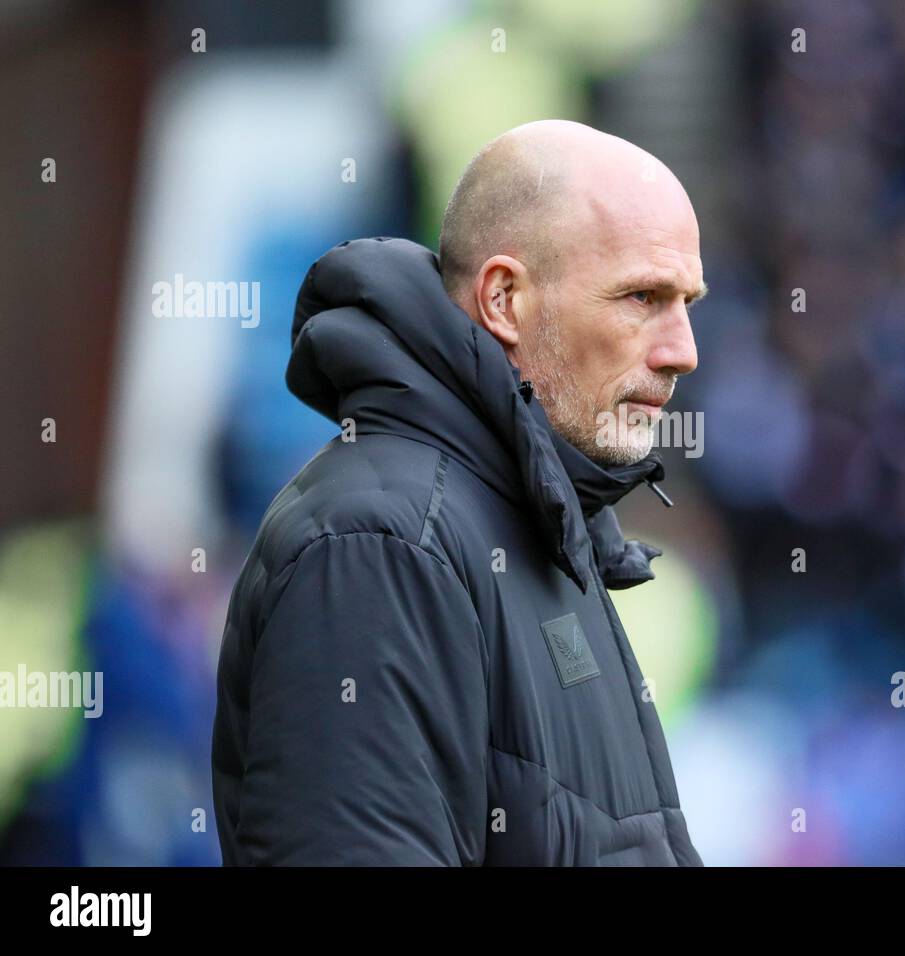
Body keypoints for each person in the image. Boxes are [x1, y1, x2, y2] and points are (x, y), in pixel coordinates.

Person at [211, 120, 706, 865]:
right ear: (504, 299)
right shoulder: (378, 547)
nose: (683, 352)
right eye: (642, 297)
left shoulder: (542, 532)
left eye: (687, 303)